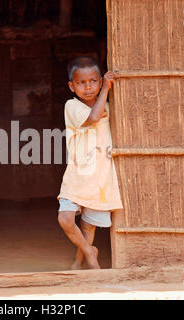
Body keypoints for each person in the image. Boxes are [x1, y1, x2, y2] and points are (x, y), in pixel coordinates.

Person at [57, 56, 123, 270]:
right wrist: (105, 87)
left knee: (89, 225)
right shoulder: (72, 106)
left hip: (100, 176)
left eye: (94, 81)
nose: (88, 87)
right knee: (66, 218)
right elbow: (94, 117)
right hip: (77, 175)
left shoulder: (112, 107)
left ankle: (79, 262)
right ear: (71, 86)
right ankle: (88, 251)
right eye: (81, 83)